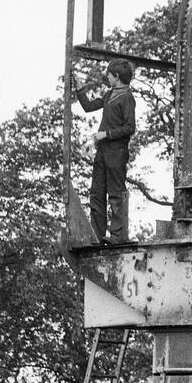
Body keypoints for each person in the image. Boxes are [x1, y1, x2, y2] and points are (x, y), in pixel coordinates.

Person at [74, 59, 136, 244]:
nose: (107, 77)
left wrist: (105, 134)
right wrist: (80, 88)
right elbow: (88, 107)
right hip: (103, 151)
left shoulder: (127, 98)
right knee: (96, 193)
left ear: (116, 76)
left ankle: (118, 236)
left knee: (116, 193)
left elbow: (129, 128)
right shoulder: (110, 94)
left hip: (117, 152)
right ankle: (97, 236)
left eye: (109, 74)